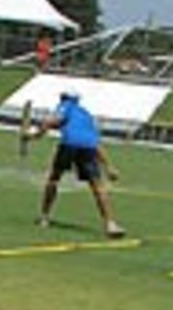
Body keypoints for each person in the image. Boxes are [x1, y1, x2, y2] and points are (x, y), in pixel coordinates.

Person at [32, 91, 125, 238]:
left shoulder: (65, 105)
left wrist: (36, 134)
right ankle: (110, 224)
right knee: (97, 186)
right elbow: (95, 142)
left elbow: (55, 121)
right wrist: (108, 167)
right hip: (88, 147)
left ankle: (44, 216)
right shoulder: (86, 115)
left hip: (69, 144)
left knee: (54, 179)